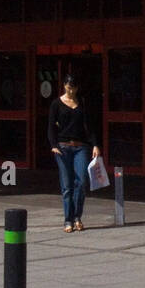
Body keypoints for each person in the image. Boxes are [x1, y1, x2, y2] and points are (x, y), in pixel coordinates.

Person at [49, 74, 101, 232]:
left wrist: (95, 145)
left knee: (81, 181)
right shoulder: (56, 104)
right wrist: (53, 145)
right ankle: (68, 220)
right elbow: (51, 126)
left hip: (81, 146)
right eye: (68, 86)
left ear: (77, 88)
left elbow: (89, 125)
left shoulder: (82, 103)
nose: (70, 90)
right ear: (64, 85)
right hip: (63, 146)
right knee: (67, 185)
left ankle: (77, 216)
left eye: (73, 87)